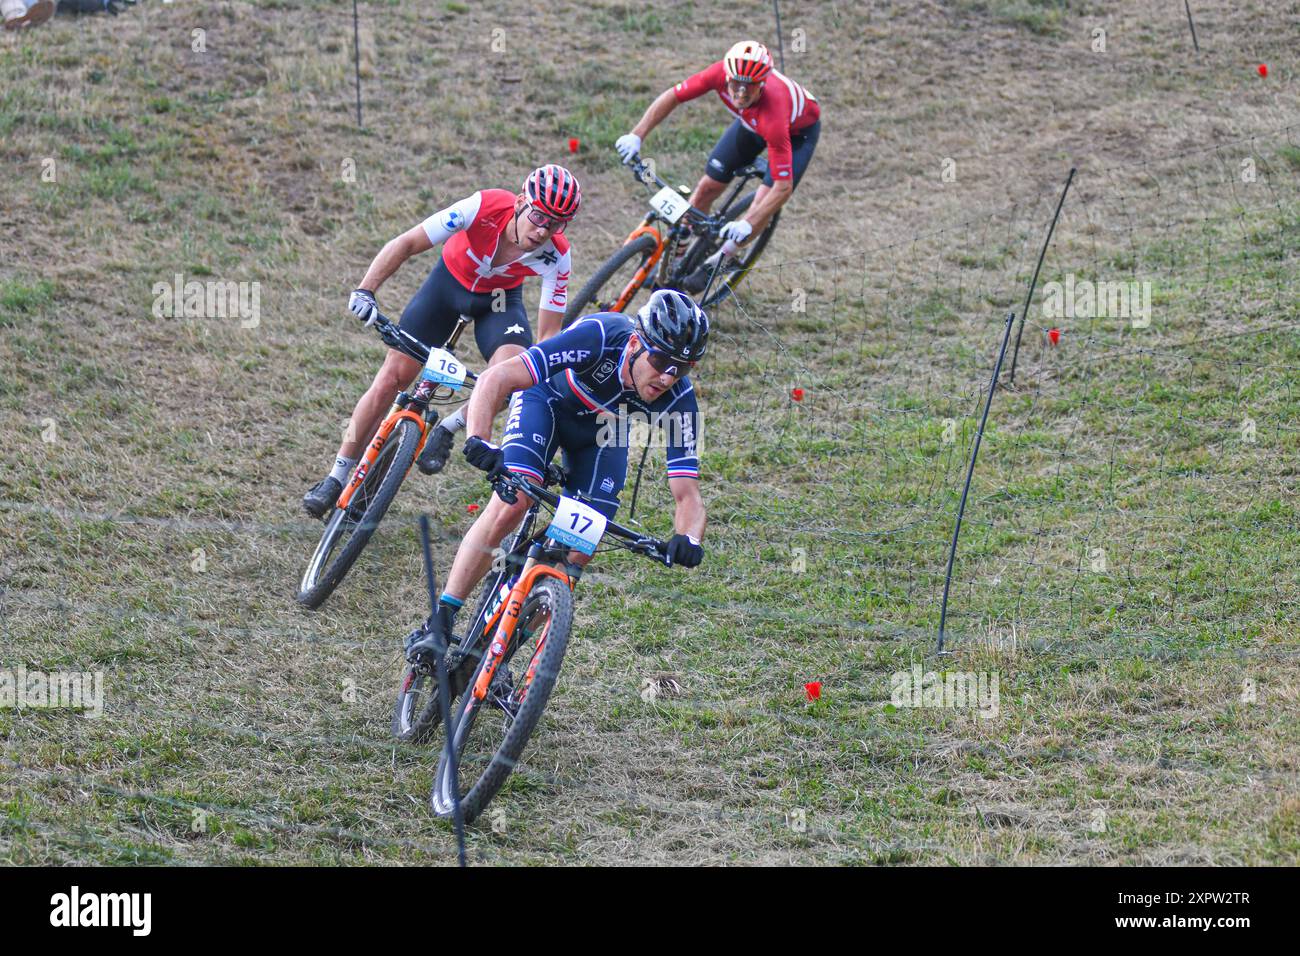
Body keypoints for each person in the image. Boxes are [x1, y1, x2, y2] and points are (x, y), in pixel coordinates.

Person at [407, 289, 709, 652]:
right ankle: (442, 617)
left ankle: (501, 654)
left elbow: (687, 493)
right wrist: (479, 439)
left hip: (602, 437)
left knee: (580, 546)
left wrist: (688, 538)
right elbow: (498, 377)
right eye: (661, 361)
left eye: (683, 369)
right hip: (545, 403)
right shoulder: (599, 335)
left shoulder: (681, 401)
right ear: (634, 344)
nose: (667, 378)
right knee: (514, 500)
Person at [302, 165, 580, 518]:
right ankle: (336, 475)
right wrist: (366, 289)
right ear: (522, 201)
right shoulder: (482, 207)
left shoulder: (557, 254)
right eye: (539, 216)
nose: (543, 230)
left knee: (512, 371)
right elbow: (406, 243)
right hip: (445, 288)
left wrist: (544, 374)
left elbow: (549, 335)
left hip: (497, 302)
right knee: (392, 378)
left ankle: (449, 428)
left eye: (555, 224)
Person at [615, 40, 820, 293]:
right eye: (736, 85)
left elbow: (783, 187)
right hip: (750, 124)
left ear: (763, 84)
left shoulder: (775, 113)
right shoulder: (718, 73)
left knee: (763, 204)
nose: (741, 94)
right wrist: (637, 135)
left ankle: (724, 257)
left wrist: (747, 223)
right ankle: (678, 260)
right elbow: (673, 96)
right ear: (727, 77)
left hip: (796, 133)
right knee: (706, 188)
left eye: (750, 87)